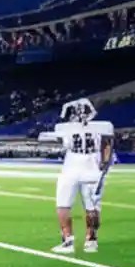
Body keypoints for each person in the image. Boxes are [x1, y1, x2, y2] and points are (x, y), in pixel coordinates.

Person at [40, 98, 114, 253]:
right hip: (93, 167)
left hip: (72, 167)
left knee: (63, 205)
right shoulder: (103, 126)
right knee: (92, 207)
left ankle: (68, 240)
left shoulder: (64, 128)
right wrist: (105, 166)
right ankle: (91, 240)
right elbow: (107, 145)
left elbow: (61, 143)